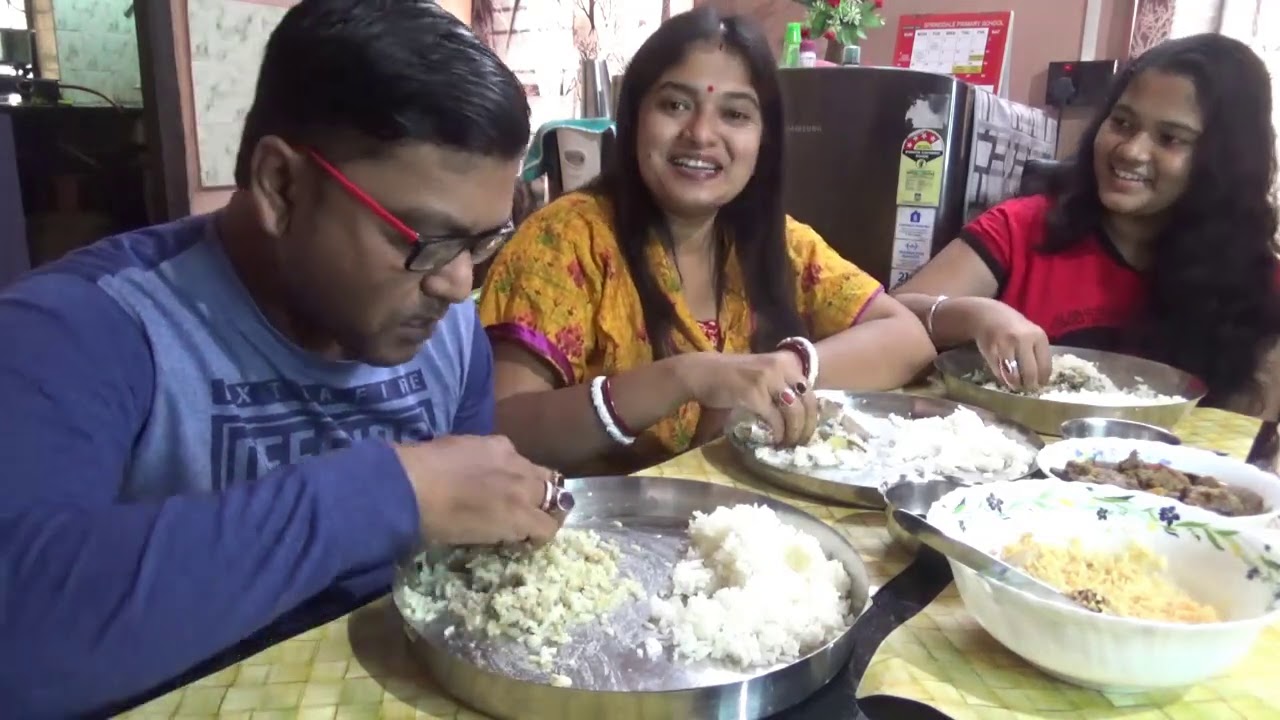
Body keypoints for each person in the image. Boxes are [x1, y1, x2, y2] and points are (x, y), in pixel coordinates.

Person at [0, 2, 566, 716]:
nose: (459, 284)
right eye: (426, 238)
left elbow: (459, 584)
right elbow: (18, 633)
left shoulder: (448, 335)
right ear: (280, 186)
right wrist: (386, 494)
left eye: (483, 242)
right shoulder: (84, 331)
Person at [478, 8, 936, 474]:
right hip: (596, 533)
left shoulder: (774, 240)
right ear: (634, 119)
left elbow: (907, 339)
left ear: (764, 142)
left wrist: (782, 372)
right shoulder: (566, 240)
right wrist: (685, 378)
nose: (700, 134)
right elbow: (502, 430)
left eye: (735, 114)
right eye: (675, 105)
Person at [893, 33, 1280, 418]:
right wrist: (977, 316)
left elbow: (1249, 436)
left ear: (1224, 160)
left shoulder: (1257, 283)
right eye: (1123, 123)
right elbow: (884, 321)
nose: (1131, 150)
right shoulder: (1021, 228)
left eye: (1170, 138)